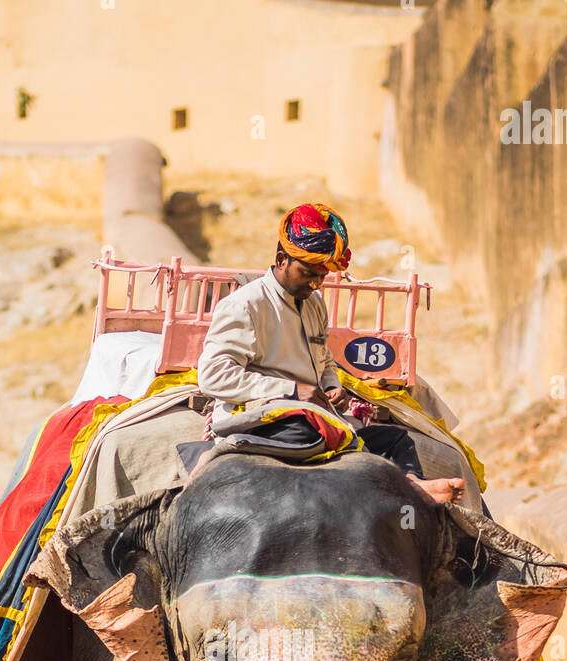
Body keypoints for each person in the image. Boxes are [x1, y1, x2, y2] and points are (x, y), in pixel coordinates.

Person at [196, 202, 466, 504]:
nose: (316, 282)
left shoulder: (314, 303)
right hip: (262, 419)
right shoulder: (244, 305)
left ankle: (412, 485)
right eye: (308, 273)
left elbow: (322, 359)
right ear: (281, 259)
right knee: (308, 435)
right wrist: (292, 390)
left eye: (322, 275)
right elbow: (213, 376)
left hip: (314, 414)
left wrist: (331, 386)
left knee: (394, 440)